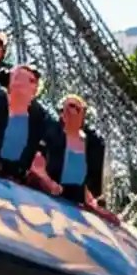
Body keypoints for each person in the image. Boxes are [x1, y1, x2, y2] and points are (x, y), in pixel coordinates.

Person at [31, 94, 117, 223]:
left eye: (77, 109)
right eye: (68, 107)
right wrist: (48, 182)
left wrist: (93, 204)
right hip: (44, 192)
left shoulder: (88, 145)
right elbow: (37, 163)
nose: (71, 111)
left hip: (70, 202)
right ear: (61, 113)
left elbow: (83, 183)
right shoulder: (51, 131)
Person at [0, 64, 52, 181]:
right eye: (18, 77)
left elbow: (40, 155)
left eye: (31, 81)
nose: (22, 84)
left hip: (18, 178)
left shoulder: (40, 118)